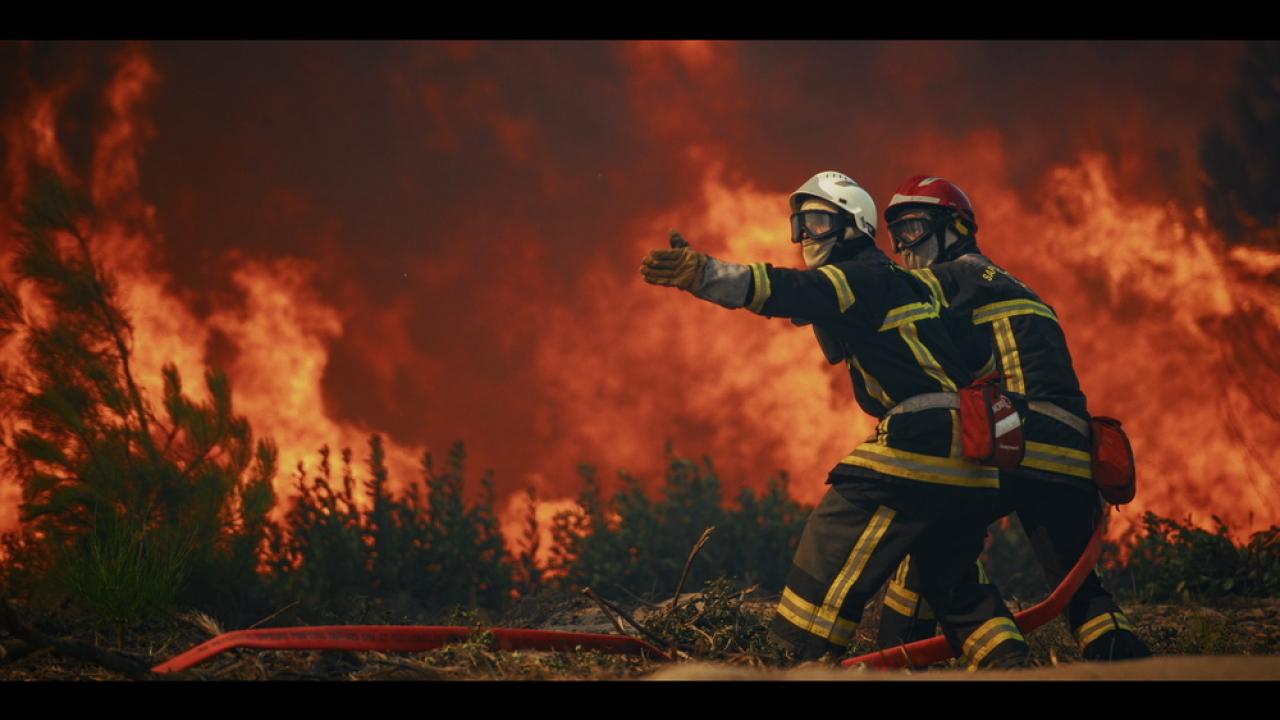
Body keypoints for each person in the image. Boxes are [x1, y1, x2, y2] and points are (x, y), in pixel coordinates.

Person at [640, 171, 1029, 668]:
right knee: (952, 581)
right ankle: (1010, 664)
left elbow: (785, 289)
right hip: (972, 458)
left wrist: (703, 274)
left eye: (820, 222)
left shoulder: (857, 274)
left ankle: (795, 661)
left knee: (832, 533)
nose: (805, 237)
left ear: (855, 226)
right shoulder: (910, 284)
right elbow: (978, 360)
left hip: (922, 438)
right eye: (799, 224)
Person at [875, 175, 1151, 661]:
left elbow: (885, 304)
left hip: (1014, 441)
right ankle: (1118, 652)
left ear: (955, 228)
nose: (903, 246)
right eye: (896, 234)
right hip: (1070, 452)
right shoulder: (1012, 283)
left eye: (914, 228)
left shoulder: (946, 279)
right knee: (1077, 581)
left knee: (933, 538)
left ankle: (988, 653)